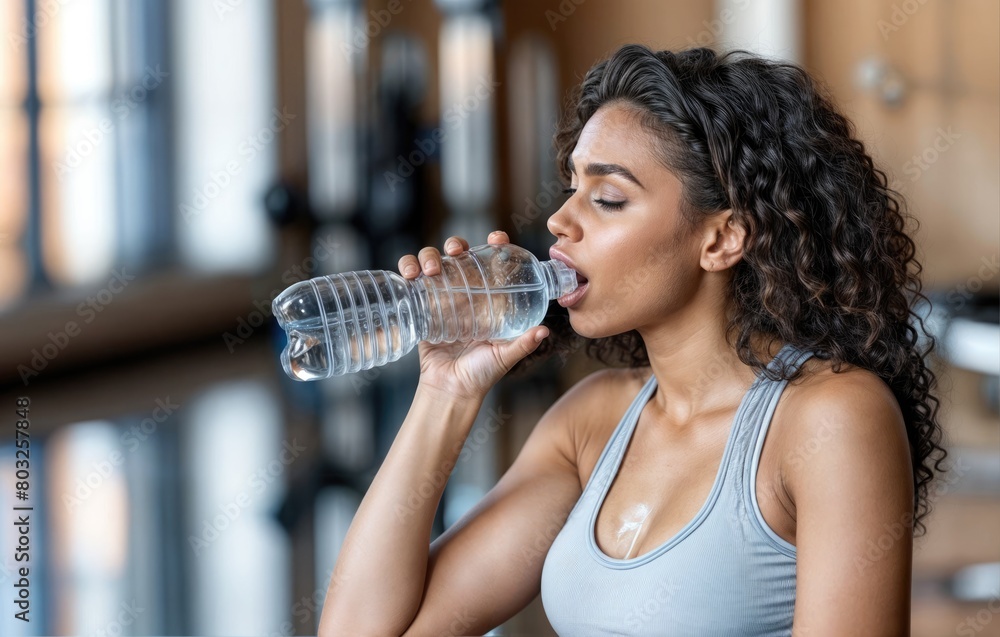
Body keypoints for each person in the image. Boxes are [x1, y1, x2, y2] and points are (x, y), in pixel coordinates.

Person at [317, 44, 945, 636]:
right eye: (571, 186)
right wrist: (444, 391)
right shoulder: (591, 423)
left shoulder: (831, 419)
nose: (560, 221)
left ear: (722, 239)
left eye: (609, 198)